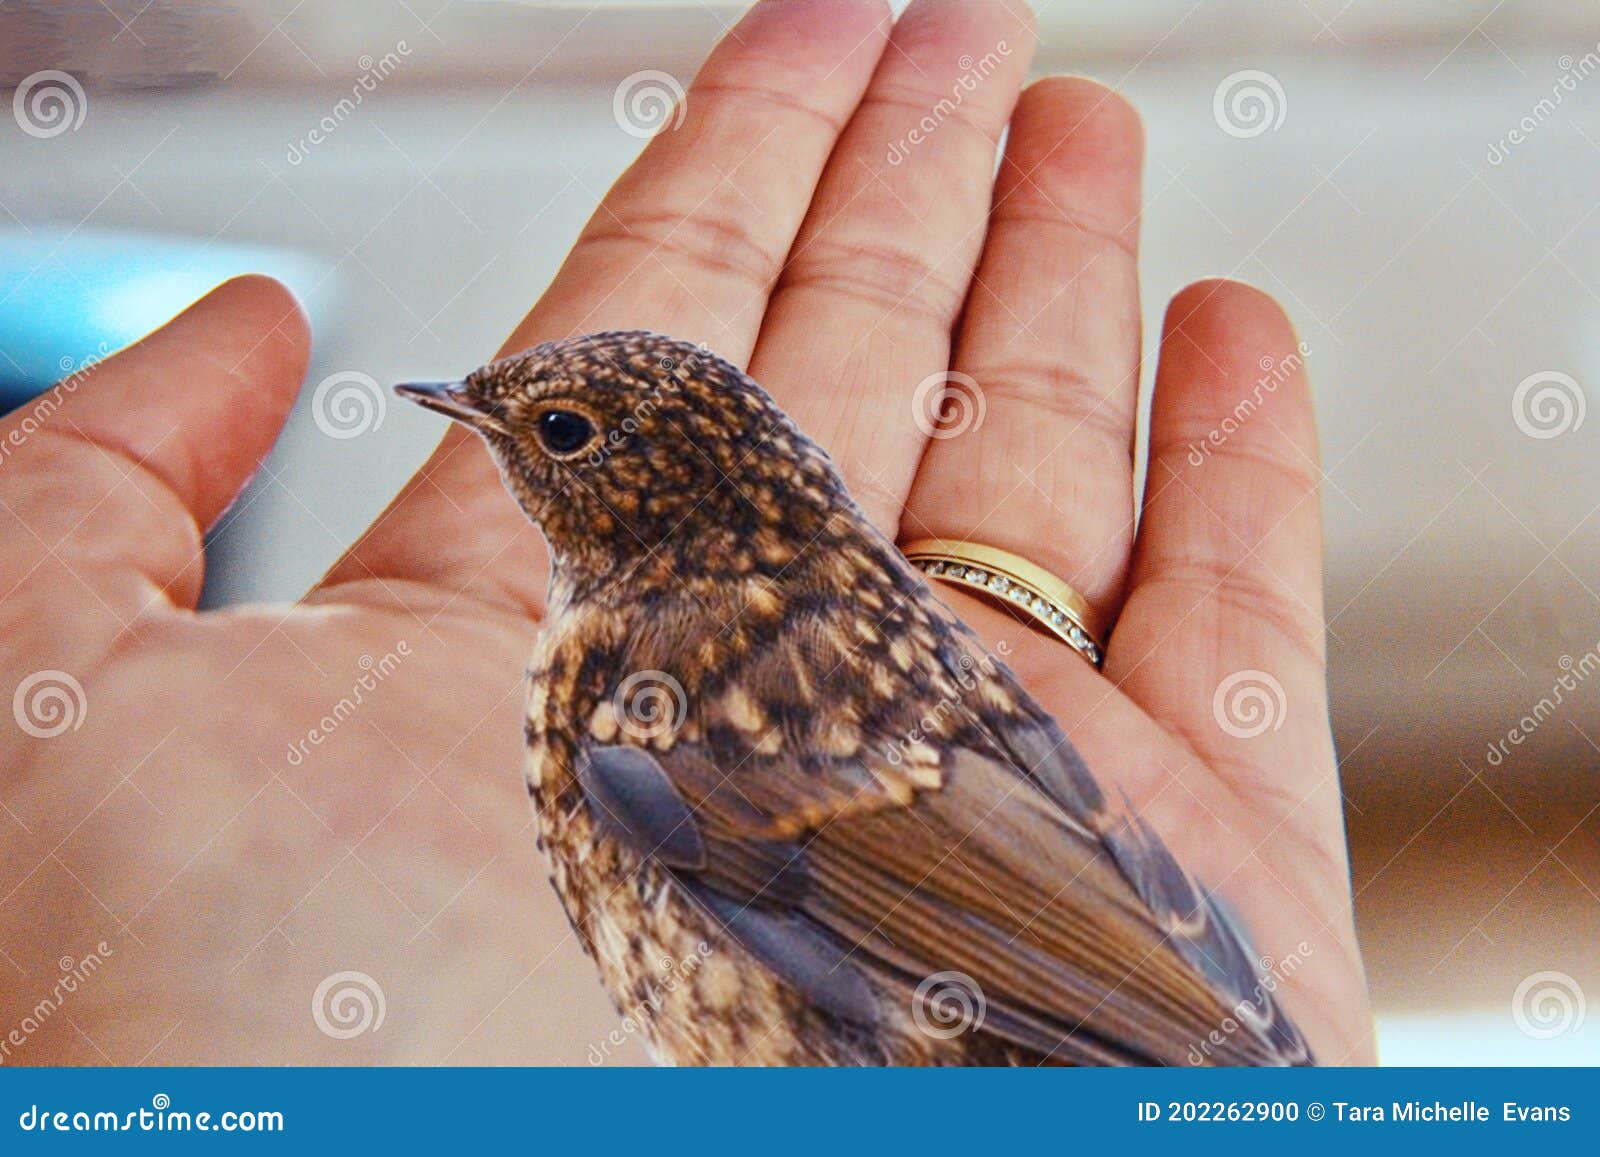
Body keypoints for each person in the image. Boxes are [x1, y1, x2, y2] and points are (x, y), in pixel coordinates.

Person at [0, 0, 1373, 1064]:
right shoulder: (829, 612)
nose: (507, 438)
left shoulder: (637, 683)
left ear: (653, 487)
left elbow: (880, 946)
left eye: (561, 436)